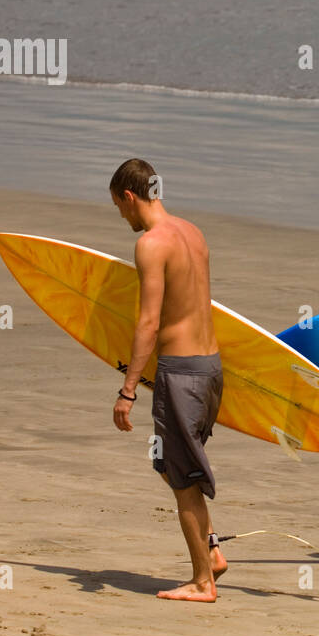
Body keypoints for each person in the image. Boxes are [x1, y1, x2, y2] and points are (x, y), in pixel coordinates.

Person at [109, 158, 227, 602]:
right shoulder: (192, 232)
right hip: (212, 369)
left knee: (181, 479)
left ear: (129, 196)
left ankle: (202, 582)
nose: (124, 219)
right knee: (176, 466)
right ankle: (212, 552)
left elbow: (149, 322)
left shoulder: (152, 245)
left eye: (120, 209)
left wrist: (127, 390)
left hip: (180, 374)